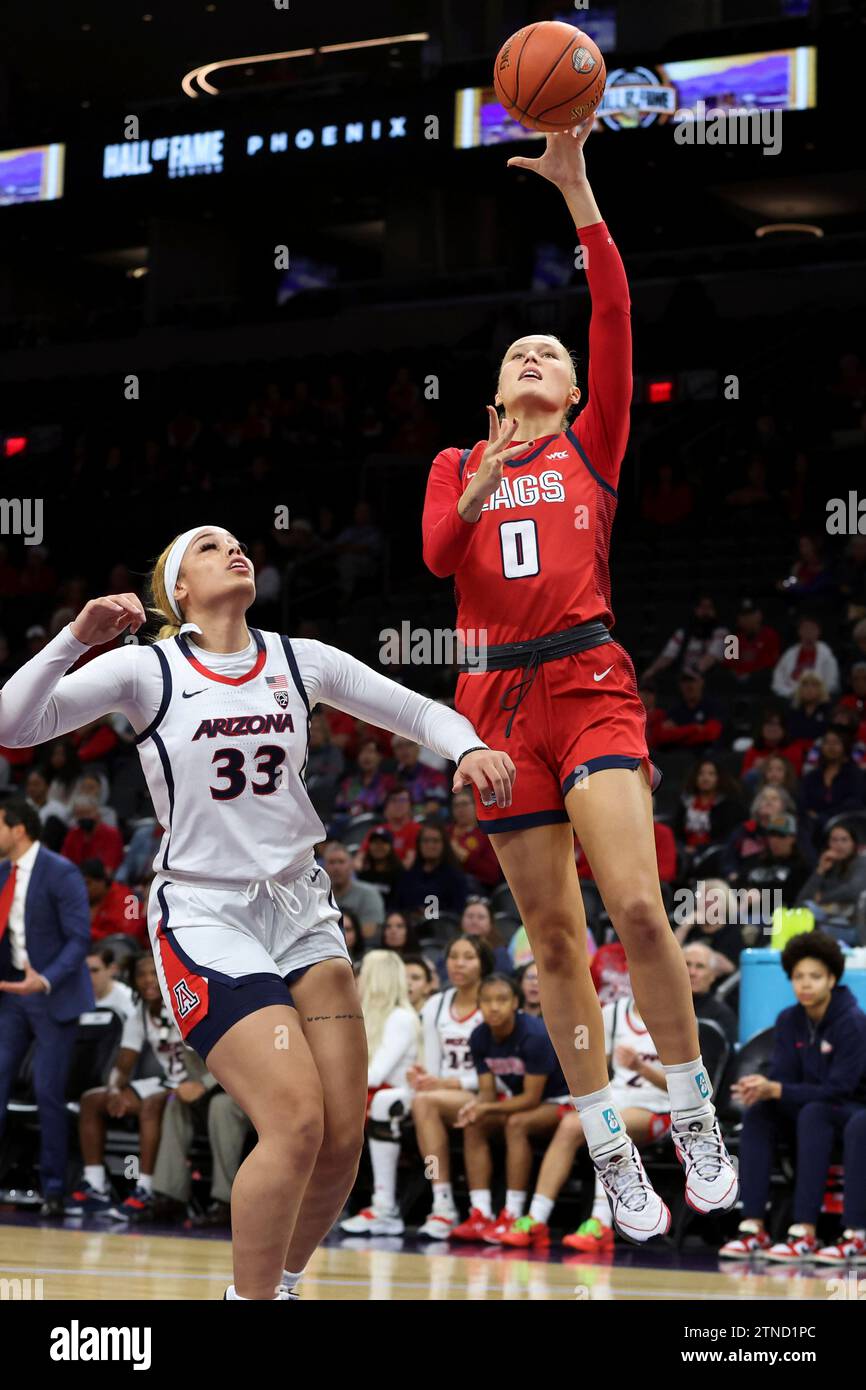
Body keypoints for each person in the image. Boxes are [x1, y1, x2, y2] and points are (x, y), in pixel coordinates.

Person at [0, 524, 514, 1300]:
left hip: (302, 908)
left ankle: (284, 1284)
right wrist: (75, 637)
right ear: (176, 591)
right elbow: (13, 725)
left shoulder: (300, 659)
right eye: (207, 547)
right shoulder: (147, 670)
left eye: (237, 543)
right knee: (296, 1121)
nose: (232, 550)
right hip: (207, 913)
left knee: (341, 1139)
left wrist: (466, 746)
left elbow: (413, 710)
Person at [422, 119, 736, 1242]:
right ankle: (604, 1138)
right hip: (496, 701)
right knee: (550, 941)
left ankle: (692, 1110)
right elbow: (434, 558)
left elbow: (612, 313)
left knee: (637, 911)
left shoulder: (593, 441)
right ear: (497, 394)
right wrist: (474, 483)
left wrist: (578, 192)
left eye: (547, 354)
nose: (534, 355)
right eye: (519, 355)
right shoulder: (459, 464)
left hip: (588, 678)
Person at [722, 933, 866, 1261]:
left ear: (832, 978)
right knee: (758, 1113)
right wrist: (761, 1087)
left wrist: (781, 1090)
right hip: (810, 1107)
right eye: (799, 977)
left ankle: (812, 1231)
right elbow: (783, 1078)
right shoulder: (789, 1020)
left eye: (814, 977)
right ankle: (753, 1227)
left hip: (851, 1108)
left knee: (815, 1112)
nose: (805, 985)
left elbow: (840, 1089)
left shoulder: (853, 1023)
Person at [498, 994, 671, 1250]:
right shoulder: (613, 1013)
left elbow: (685, 1089)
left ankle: (600, 1223)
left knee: (605, 1125)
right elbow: (596, 1067)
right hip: (618, 1099)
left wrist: (641, 1068)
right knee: (570, 1124)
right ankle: (536, 1218)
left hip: (659, 1108)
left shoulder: (678, 1014)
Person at [0, 799, 94, 1216]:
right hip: (13, 997)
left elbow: (79, 938)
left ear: (18, 829)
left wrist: (46, 978)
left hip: (52, 995)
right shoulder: (3, 873)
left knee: (47, 1092)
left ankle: (54, 1187)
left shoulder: (61, 871)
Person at [64, 952, 189, 1221]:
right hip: (167, 1082)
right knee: (91, 1100)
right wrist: (113, 1091)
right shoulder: (140, 1014)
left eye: (154, 974)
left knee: (153, 1103)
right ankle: (96, 1185)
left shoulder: (183, 1004)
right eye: (141, 975)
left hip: (190, 1085)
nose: (147, 980)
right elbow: (123, 1063)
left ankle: (145, 1189)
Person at [450, 974, 568, 1241]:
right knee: (474, 1123)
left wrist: (487, 1108)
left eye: (501, 1000)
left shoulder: (534, 1035)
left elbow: (531, 1099)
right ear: (478, 1005)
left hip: (561, 1101)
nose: (494, 1007)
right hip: (524, 1102)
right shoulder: (479, 1037)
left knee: (516, 1124)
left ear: (516, 1002)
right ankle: (480, 1213)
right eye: (487, 1001)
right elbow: (489, 1093)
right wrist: (476, 1108)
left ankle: (512, 1213)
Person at [411, 936, 492, 1238]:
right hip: (447, 1094)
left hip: (489, 1092)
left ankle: (443, 1204)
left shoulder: (494, 1001)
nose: (459, 963)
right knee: (417, 1099)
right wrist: (423, 1077)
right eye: (454, 956)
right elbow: (433, 1064)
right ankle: (390, 1203)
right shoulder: (436, 1004)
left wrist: (450, 1082)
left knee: (424, 1103)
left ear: (483, 963)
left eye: (469, 957)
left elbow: (500, 1070)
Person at [337, 951, 420, 1236]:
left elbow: (375, 1075)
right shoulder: (371, 1015)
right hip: (371, 1094)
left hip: (395, 1096)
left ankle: (378, 1206)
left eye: (362, 974)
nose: (356, 980)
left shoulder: (400, 1018)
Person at [796, 822, 866, 944]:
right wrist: (820, 870)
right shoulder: (828, 865)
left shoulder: (861, 863)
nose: (839, 845)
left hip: (850, 924)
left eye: (844, 840)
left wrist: (822, 898)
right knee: (805, 910)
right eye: (834, 840)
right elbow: (802, 900)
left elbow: (853, 890)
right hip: (825, 918)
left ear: (853, 843)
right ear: (828, 843)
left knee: (814, 930)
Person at [392, 820, 469, 925]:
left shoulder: (456, 878)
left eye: (435, 841)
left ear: (444, 845)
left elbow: (459, 914)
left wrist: (432, 917)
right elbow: (396, 909)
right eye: (425, 841)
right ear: (419, 844)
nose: (430, 845)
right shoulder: (407, 877)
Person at [640, 595, 727, 685]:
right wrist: (651, 670)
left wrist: (694, 672)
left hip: (708, 680)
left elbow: (711, 657)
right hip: (684, 679)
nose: (705, 612)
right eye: (702, 607)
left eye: (709, 608)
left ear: (714, 611)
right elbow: (667, 656)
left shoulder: (721, 633)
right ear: (696, 610)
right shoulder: (683, 633)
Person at [799, 729, 865, 835]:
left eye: (836, 743)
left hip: (847, 822)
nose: (831, 747)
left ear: (845, 746)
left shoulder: (856, 774)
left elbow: (855, 802)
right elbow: (803, 802)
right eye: (827, 743)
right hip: (814, 825)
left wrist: (824, 815)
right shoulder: (812, 776)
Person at [323, 841, 386, 941]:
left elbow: (370, 932)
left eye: (341, 862)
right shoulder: (318, 896)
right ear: (324, 867)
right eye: (331, 862)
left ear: (351, 865)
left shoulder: (368, 894)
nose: (336, 868)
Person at [80, 858, 147, 945]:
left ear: (102, 881)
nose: (83, 888)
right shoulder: (87, 899)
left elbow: (128, 938)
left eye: (88, 883)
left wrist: (87, 932)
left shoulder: (127, 898)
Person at [772, 616, 840, 700]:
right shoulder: (789, 654)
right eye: (805, 628)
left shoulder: (827, 656)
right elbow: (777, 681)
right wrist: (792, 694)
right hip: (791, 697)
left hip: (818, 699)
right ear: (799, 631)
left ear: (819, 631)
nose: (809, 631)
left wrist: (813, 694)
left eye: (812, 628)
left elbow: (831, 684)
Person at [682, 943, 738, 1046]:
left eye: (700, 966)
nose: (692, 972)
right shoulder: (664, 1008)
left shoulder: (723, 1015)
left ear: (712, 975)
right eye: (687, 964)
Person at [449, 789, 503, 889]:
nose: (460, 809)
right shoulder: (446, 832)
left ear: (475, 806)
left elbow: (492, 874)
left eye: (464, 804)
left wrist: (464, 856)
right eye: (456, 806)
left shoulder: (485, 834)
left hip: (478, 889)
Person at [353, 828, 405, 912]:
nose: (378, 846)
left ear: (390, 846)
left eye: (383, 842)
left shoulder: (399, 874)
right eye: (375, 843)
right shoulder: (364, 874)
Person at [85, 946, 135, 1021]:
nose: (88, 976)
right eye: (85, 971)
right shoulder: (77, 997)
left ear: (112, 969)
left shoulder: (129, 997)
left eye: (95, 970)